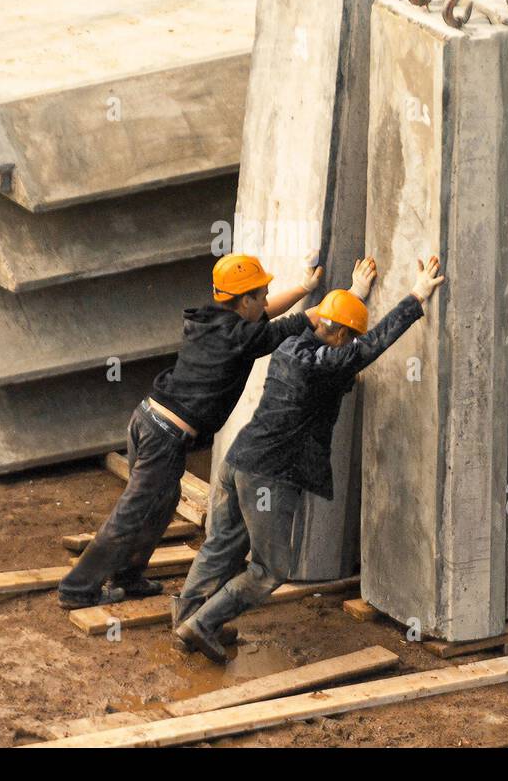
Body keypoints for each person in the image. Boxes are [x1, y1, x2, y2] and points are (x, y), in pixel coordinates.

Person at [173, 256, 446, 662]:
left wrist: (353, 294)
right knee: (269, 570)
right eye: (350, 337)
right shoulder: (331, 361)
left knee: (219, 547)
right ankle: (202, 625)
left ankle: (186, 620)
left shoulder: (292, 344)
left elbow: (335, 332)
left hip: (239, 461)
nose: (352, 345)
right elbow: (369, 347)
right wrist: (416, 295)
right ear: (341, 337)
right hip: (269, 474)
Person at [57, 252, 323, 609]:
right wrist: (344, 298)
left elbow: (265, 315)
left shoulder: (212, 319)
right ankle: (76, 589)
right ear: (244, 301)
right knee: (133, 513)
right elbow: (285, 326)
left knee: (161, 506)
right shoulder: (240, 336)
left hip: (148, 419)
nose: (263, 300)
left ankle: (128, 576)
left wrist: (304, 287)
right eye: (260, 294)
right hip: (165, 436)